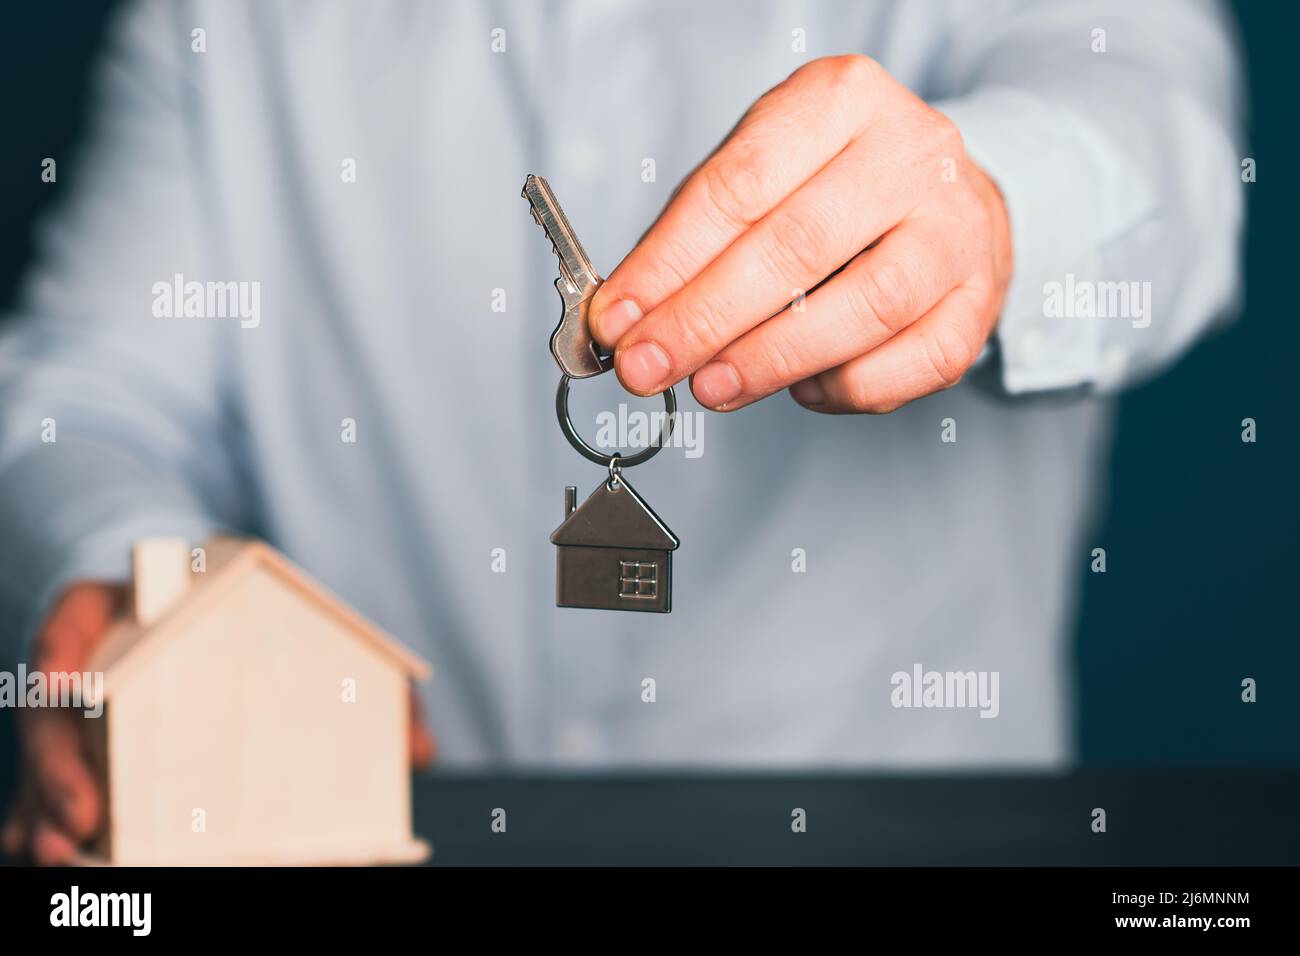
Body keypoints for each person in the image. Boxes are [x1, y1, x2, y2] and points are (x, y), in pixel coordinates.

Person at [0, 0, 1243, 863]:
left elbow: (1164, 168)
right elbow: (89, 397)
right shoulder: (225, 31)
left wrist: (991, 213)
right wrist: (127, 588)